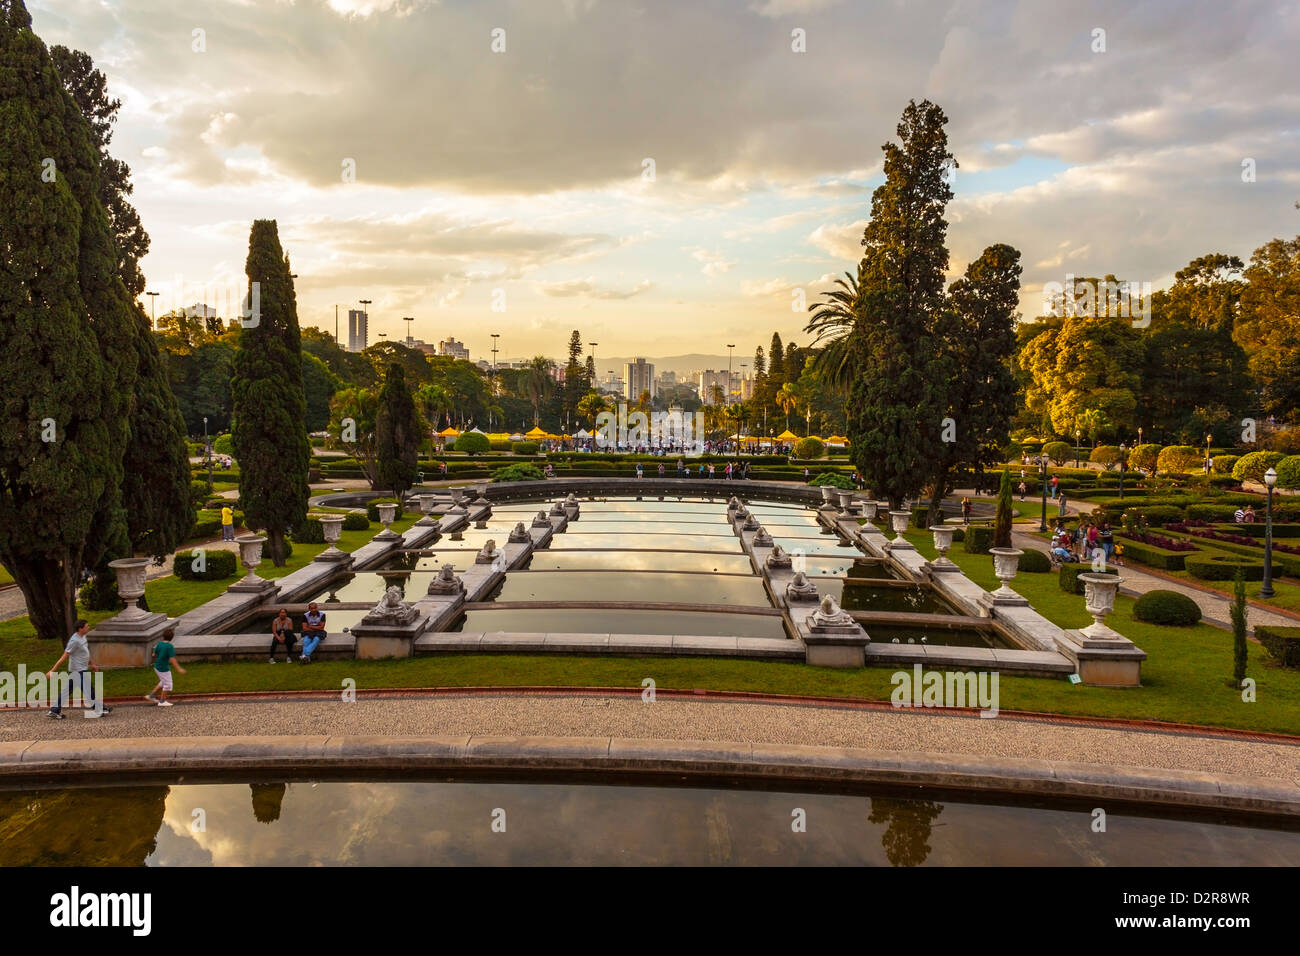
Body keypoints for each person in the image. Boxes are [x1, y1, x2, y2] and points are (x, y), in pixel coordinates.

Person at [47, 619, 111, 718]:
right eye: (86, 626)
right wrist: (52, 670)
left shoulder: (83, 637)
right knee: (89, 690)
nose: (88, 627)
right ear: (80, 629)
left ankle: (54, 710)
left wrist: (92, 664)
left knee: (66, 691)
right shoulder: (74, 641)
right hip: (78, 670)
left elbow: (85, 653)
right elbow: (64, 657)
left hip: (80, 669)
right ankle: (99, 709)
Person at [145, 627, 186, 706]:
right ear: (172, 637)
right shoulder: (169, 646)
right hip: (163, 668)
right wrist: (179, 669)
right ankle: (162, 701)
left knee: (163, 682)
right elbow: (172, 659)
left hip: (157, 666)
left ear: (163, 636)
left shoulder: (159, 644)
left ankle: (151, 696)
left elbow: (153, 654)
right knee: (168, 684)